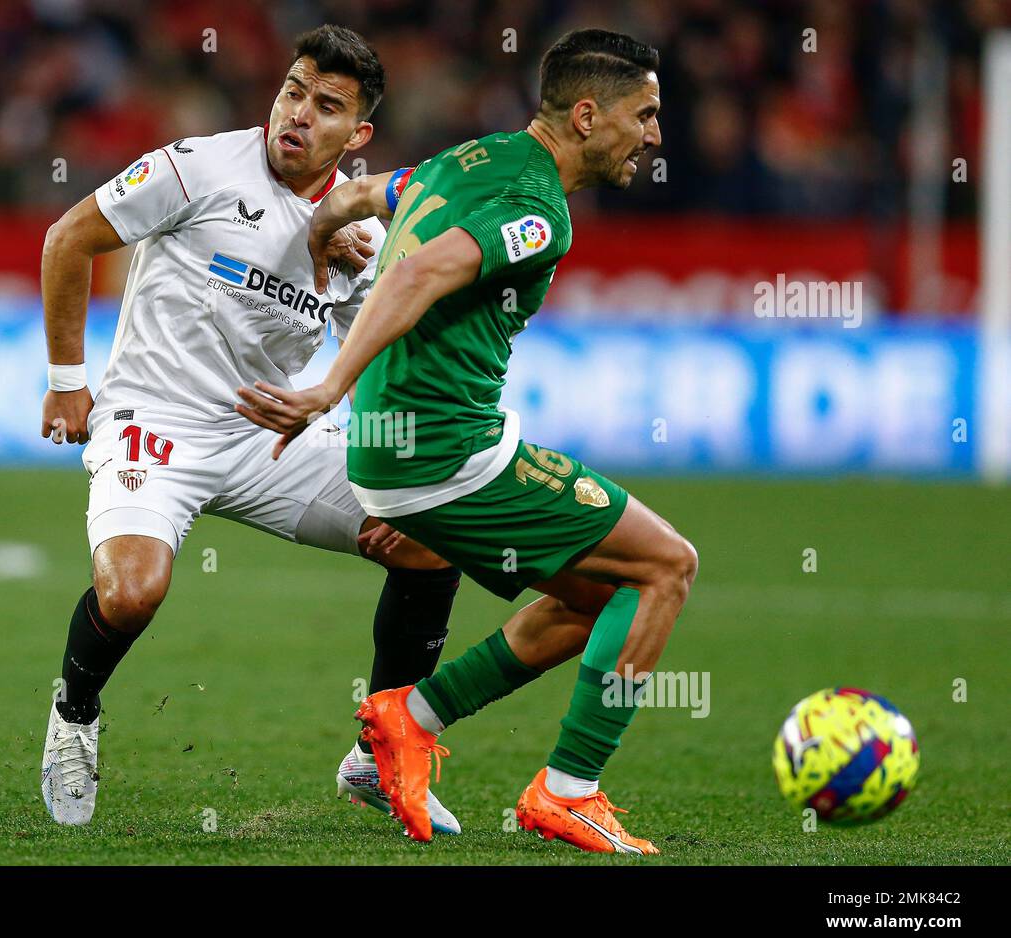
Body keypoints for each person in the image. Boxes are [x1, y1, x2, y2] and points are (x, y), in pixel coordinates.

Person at [235, 29, 697, 854]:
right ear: (588, 116)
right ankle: (568, 790)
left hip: (398, 452)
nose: (656, 135)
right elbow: (417, 273)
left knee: (599, 598)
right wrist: (327, 389)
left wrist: (321, 242)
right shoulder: (536, 213)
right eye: (646, 113)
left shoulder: (469, 159)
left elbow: (353, 197)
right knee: (666, 566)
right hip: (445, 455)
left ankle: (407, 718)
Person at [38, 25, 462, 833]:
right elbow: (69, 238)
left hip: (268, 433)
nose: (298, 113)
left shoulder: (363, 236)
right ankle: (76, 714)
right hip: (153, 421)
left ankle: (377, 756)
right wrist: (67, 383)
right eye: (294, 90)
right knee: (131, 594)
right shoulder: (198, 168)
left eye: (326, 105)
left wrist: (387, 471)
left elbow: (379, 363)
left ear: (358, 135)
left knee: (432, 537)